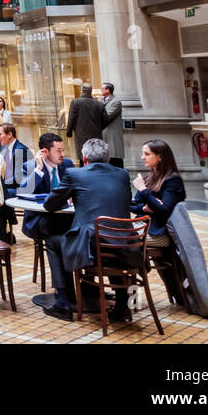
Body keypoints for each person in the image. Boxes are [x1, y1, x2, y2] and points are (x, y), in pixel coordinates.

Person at [41, 138, 136, 322]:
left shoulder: (75, 175)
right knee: (110, 240)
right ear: (108, 158)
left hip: (93, 247)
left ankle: (62, 303)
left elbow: (50, 204)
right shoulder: (122, 175)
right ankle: (123, 304)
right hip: (127, 245)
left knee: (53, 240)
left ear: (85, 158)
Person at [17, 131, 74, 244]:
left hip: (65, 214)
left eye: (63, 150)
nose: (62, 154)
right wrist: (38, 169)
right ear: (45, 152)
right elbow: (23, 191)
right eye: (58, 151)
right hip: (40, 217)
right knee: (61, 229)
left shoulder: (67, 164)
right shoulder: (30, 167)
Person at [131, 138, 186, 247]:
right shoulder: (149, 178)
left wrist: (143, 190)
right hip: (143, 226)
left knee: (121, 239)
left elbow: (164, 210)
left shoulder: (173, 180)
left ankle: (137, 264)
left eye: (147, 154)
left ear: (160, 157)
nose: (142, 157)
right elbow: (131, 205)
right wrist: (144, 208)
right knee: (112, 234)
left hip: (159, 234)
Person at [0, 123, 33, 240]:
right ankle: (2, 231)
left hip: (22, 189)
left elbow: (19, 178)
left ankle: (3, 232)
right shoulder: (6, 149)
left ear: (10, 134)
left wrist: (1, 184)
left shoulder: (21, 150)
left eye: (0, 134)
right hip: (11, 185)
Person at [65, 83, 110, 161]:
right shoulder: (99, 104)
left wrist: (69, 133)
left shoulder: (75, 102)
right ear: (91, 92)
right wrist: (98, 128)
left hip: (81, 135)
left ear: (82, 91)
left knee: (83, 158)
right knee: (96, 157)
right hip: (96, 135)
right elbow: (106, 120)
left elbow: (71, 119)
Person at [100, 82, 125, 167]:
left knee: (115, 159)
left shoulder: (116, 102)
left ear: (108, 90)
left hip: (113, 134)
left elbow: (108, 116)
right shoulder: (101, 100)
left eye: (102, 88)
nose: (101, 90)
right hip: (104, 134)